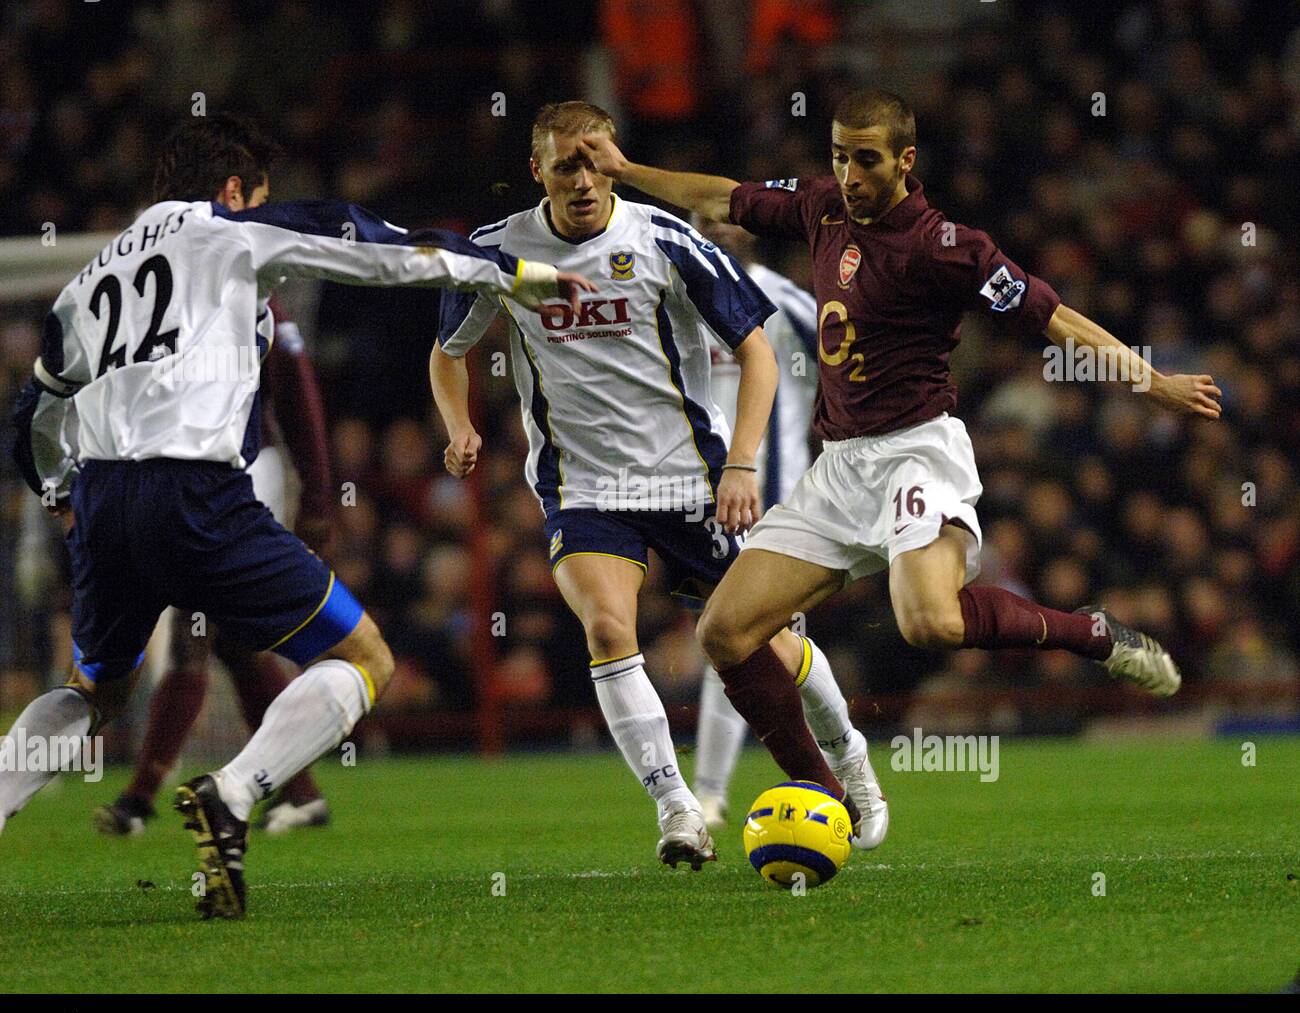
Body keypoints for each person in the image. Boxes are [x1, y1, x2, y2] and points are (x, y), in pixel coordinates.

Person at [3, 112, 593, 919]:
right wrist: (511, 273)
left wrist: (61, 495)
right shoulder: (231, 235)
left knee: (93, 690)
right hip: (196, 494)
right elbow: (374, 248)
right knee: (364, 657)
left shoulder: (86, 282)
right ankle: (236, 793)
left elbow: (35, 410)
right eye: (256, 198)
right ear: (235, 190)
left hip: (104, 498)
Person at [577, 87, 1222, 805]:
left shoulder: (946, 247)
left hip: (916, 452)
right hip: (839, 466)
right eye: (839, 157)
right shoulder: (822, 207)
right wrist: (625, 169)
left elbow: (1056, 318)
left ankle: (1092, 635)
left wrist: (1152, 381)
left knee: (929, 622)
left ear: (905, 161)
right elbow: (725, 196)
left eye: (866, 161)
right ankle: (834, 791)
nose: (849, 175)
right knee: (725, 631)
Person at [430, 101, 886, 870]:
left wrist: (740, 464)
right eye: (565, 165)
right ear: (536, 169)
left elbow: (759, 350)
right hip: (584, 486)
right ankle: (678, 807)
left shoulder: (663, 240)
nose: (582, 179)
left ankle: (852, 765)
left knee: (769, 639)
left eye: (594, 161)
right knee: (608, 629)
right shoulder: (494, 250)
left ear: (614, 160)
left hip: (692, 480)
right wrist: (458, 424)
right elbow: (449, 350)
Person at [93, 302, 335, 837]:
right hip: (191, 481)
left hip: (246, 476)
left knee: (193, 631)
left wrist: (318, 498)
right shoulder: (174, 306)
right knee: (233, 644)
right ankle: (302, 793)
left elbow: (300, 406)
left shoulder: (262, 308)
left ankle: (139, 798)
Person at [687, 216, 880, 833]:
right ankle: (840, 760)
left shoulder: (783, 300)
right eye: (703, 218)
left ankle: (718, 793)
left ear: (749, 231)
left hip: (774, 501)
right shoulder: (677, 293)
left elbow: (854, 360)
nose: (717, 228)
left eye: (726, 217)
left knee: (747, 636)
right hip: (696, 495)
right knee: (737, 638)